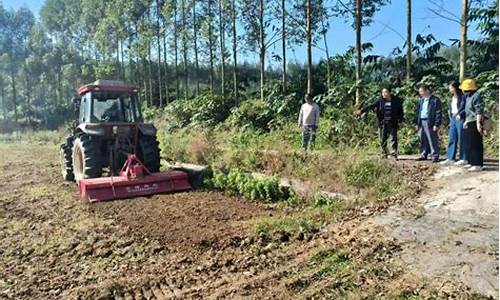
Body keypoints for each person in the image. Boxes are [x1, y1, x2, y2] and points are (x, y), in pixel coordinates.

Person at [358, 87, 404, 159]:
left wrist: (401, 120)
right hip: (383, 123)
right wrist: (361, 111)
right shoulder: (380, 101)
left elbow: (400, 111)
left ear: (389, 93)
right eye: (383, 93)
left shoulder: (396, 101)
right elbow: (371, 106)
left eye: (385, 92)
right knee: (382, 139)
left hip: (393, 122)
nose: (384, 94)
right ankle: (384, 153)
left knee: (393, 138)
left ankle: (393, 154)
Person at [461, 79, 485, 171]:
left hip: (475, 121)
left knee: (476, 143)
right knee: (469, 143)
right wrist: (466, 121)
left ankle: (477, 164)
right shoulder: (468, 97)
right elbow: (468, 112)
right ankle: (471, 162)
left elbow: (479, 111)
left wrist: (478, 123)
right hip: (469, 121)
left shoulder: (476, 96)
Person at [440, 81, 467, 165]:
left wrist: (461, 114)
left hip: (460, 118)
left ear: (456, 88)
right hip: (453, 117)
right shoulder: (451, 97)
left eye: (451, 88)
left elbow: (465, 108)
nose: (450, 89)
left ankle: (464, 158)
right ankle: (450, 158)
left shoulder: (463, 97)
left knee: (462, 138)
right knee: (452, 137)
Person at [415, 85, 443, 162]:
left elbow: (438, 112)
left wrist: (436, 124)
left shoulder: (435, 100)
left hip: (430, 121)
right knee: (423, 139)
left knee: (432, 139)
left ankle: (434, 155)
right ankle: (424, 154)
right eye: (420, 91)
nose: (420, 93)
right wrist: (417, 123)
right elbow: (418, 112)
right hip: (422, 121)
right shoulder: (421, 100)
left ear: (427, 91)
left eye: (421, 91)